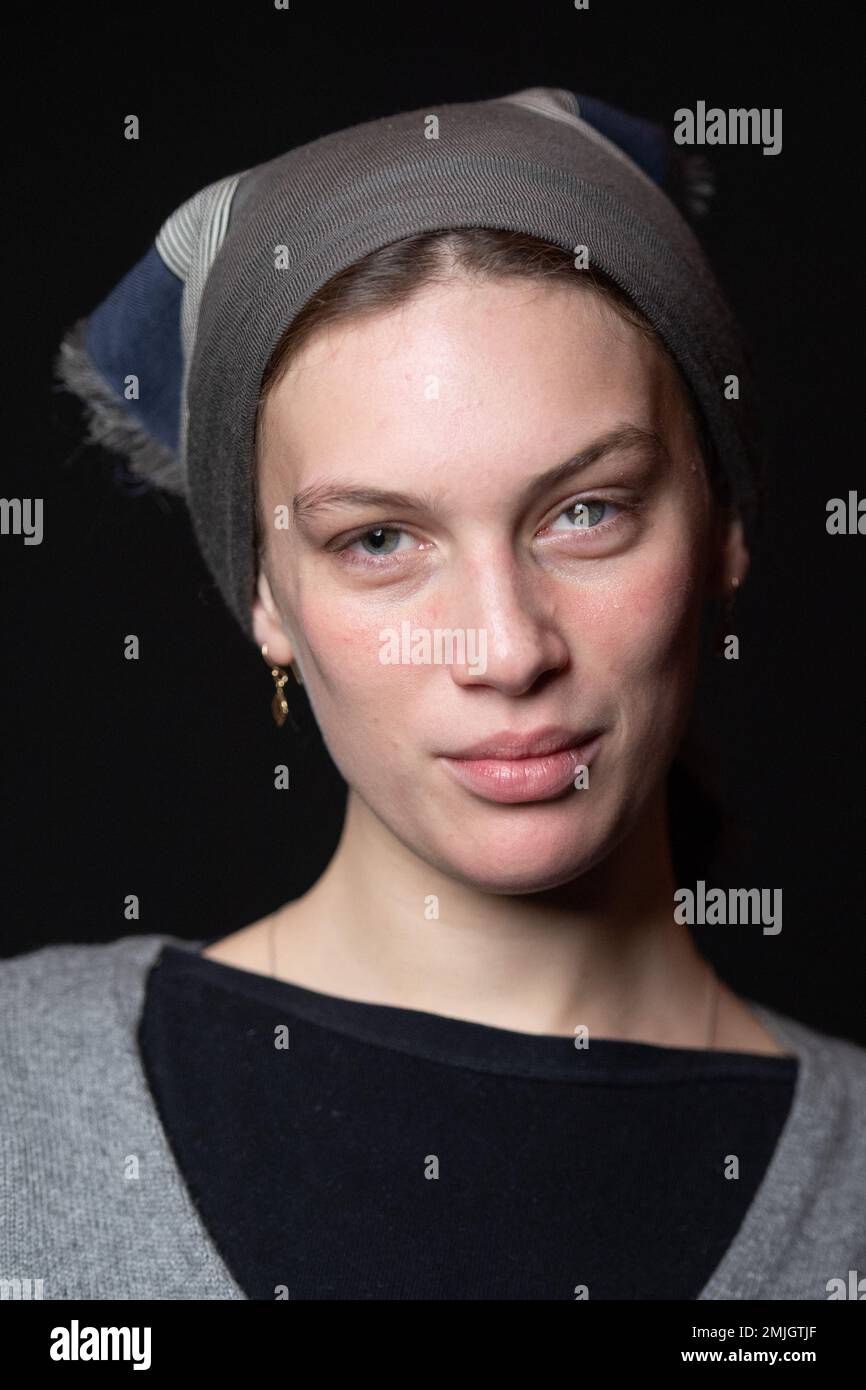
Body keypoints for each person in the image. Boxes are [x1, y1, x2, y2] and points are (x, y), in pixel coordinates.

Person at [2, 86, 864, 1302]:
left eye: (585, 512)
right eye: (376, 541)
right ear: (264, 598)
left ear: (724, 524)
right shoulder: (19, 1096)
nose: (505, 650)